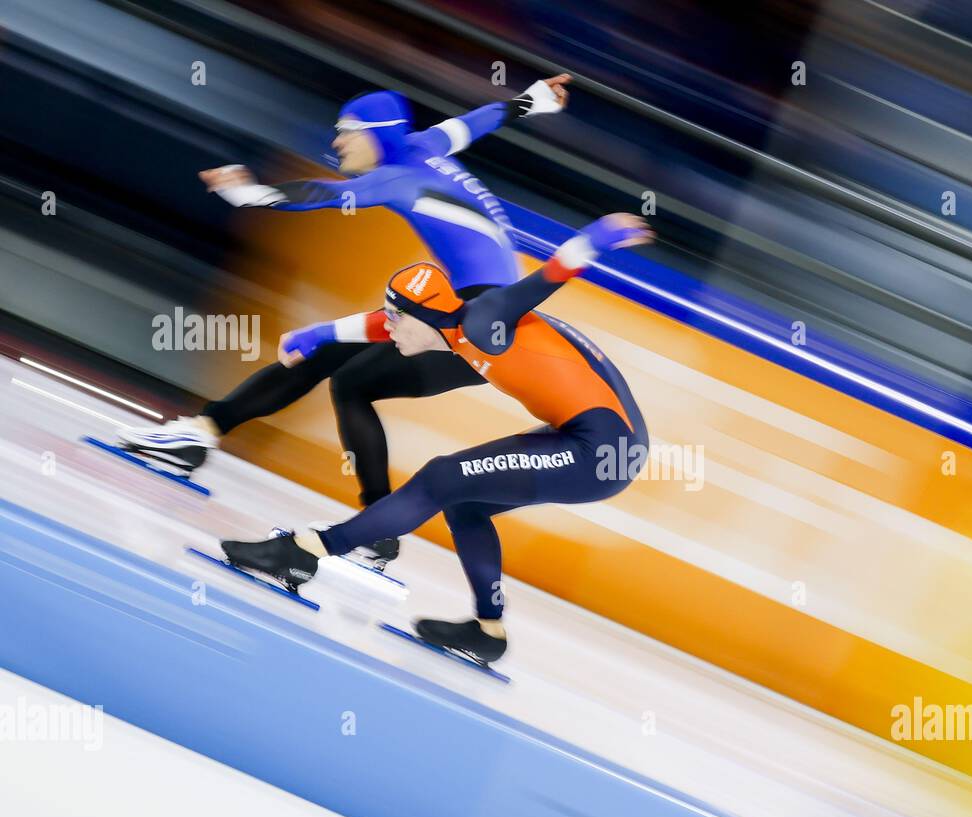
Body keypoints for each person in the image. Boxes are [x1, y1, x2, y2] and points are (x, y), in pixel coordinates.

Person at [118, 76, 571, 565]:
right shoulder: (423, 145)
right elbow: (480, 121)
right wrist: (533, 100)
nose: (336, 141)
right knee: (327, 358)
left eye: (347, 131)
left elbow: (322, 192)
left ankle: (376, 529)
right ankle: (201, 434)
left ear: (378, 135)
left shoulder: (399, 178)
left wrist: (251, 194)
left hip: (479, 329)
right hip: (480, 313)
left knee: (352, 383)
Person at [219, 213, 653, 664]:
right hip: (585, 435)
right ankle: (488, 630)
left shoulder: (485, 321)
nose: (387, 331)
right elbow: (376, 322)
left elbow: (546, 279)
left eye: (395, 320)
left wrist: (596, 237)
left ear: (425, 319)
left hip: (603, 450)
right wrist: (317, 335)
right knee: (465, 502)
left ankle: (305, 550)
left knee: (442, 477)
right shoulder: (447, 318)